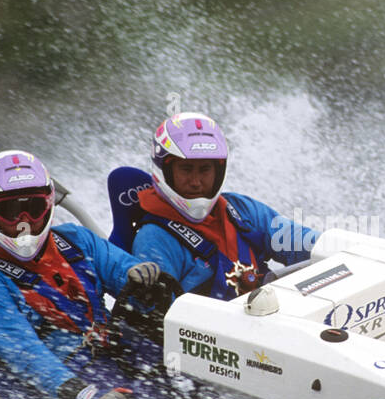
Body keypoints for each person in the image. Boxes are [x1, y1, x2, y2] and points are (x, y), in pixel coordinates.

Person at [0, 149, 162, 399]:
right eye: (12, 211)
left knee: (195, 384)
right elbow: (25, 354)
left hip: (121, 353)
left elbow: (122, 269)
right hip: (62, 390)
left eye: (33, 209)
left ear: (48, 206)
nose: (25, 222)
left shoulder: (76, 240)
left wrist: (143, 276)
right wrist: (83, 394)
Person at [132, 113, 318, 299]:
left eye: (205, 169)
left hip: (270, 317)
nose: (196, 181)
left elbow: (298, 240)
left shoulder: (243, 210)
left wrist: (332, 246)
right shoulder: (153, 239)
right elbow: (161, 320)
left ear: (218, 171)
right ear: (165, 170)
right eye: (186, 169)